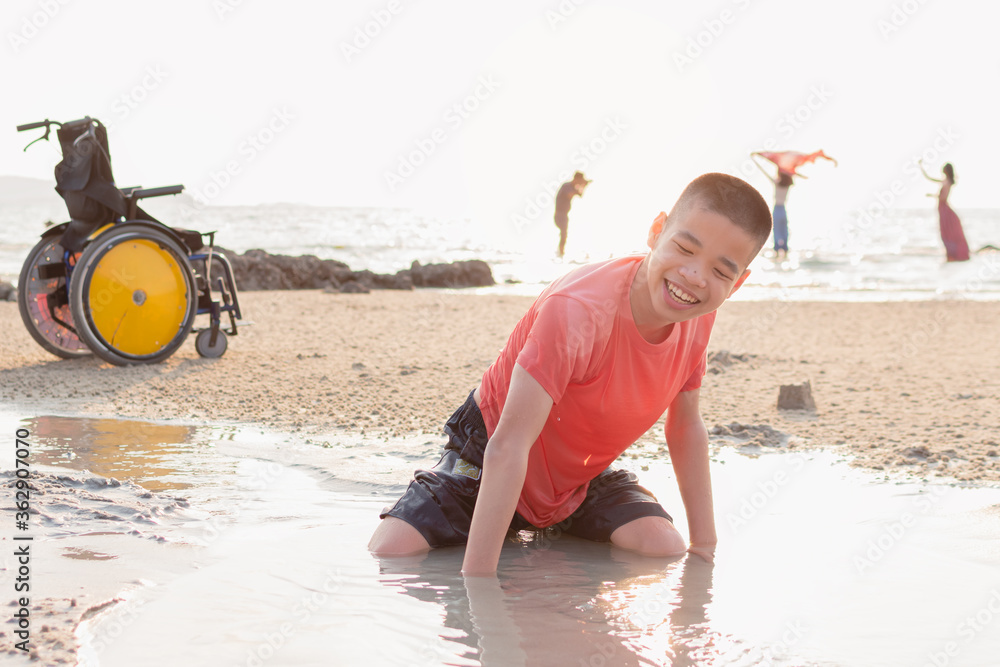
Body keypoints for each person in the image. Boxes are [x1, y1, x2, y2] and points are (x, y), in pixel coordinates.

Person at [369, 173, 772, 576]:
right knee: (392, 552)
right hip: (490, 452)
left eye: (721, 272)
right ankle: (459, 497)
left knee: (664, 547)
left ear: (737, 283)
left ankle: (551, 526)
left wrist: (705, 548)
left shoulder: (699, 314)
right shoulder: (578, 310)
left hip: (578, 479)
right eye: (685, 248)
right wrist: (480, 590)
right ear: (656, 231)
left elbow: (685, 428)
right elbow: (509, 446)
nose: (696, 276)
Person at [920, 161, 970, 262]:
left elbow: (942, 198)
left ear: (947, 170)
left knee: (947, 232)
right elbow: (930, 179)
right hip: (942, 207)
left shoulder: (947, 182)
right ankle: (952, 254)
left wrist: (933, 196)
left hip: (944, 208)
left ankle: (954, 254)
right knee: (947, 232)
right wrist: (922, 168)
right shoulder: (947, 181)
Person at [553, 171, 591, 257]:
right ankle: (560, 253)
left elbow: (580, 195)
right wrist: (581, 185)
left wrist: (583, 186)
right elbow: (570, 194)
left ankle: (560, 253)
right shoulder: (567, 186)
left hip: (564, 215)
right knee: (564, 233)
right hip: (559, 214)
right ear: (576, 178)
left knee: (564, 233)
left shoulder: (573, 187)